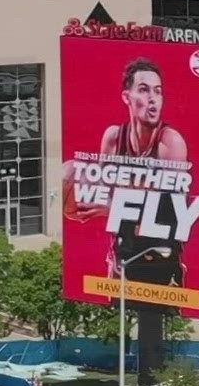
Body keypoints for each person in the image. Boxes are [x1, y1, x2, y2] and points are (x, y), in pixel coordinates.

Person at [65, 57, 191, 288]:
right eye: (144, 90)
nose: (153, 99)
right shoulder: (113, 138)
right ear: (127, 97)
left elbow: (175, 215)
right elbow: (98, 191)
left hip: (160, 260)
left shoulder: (170, 142)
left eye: (158, 91)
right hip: (122, 258)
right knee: (119, 318)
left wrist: (115, 207)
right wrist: (75, 193)